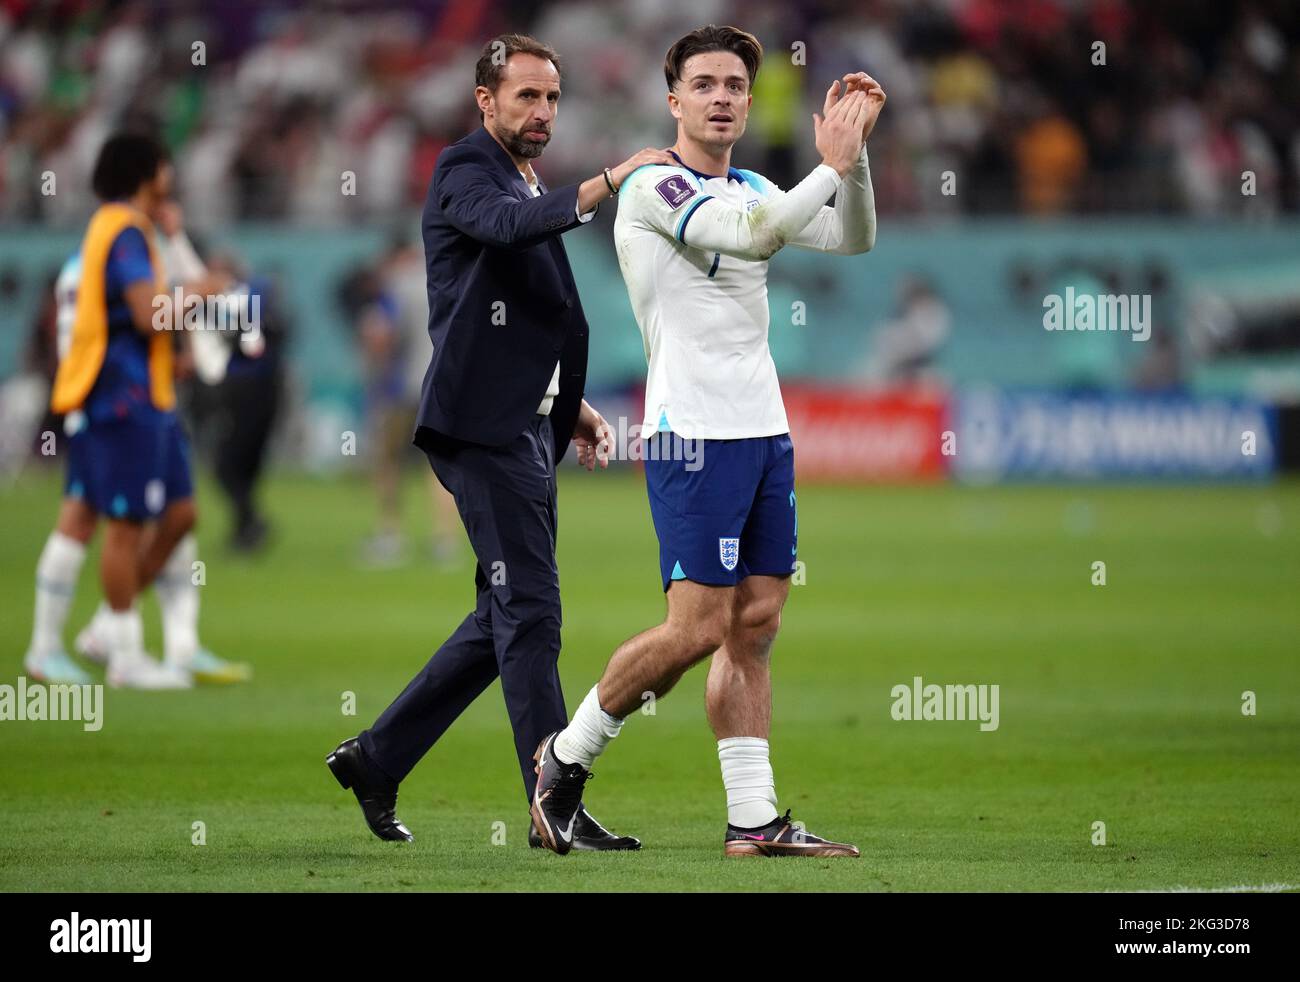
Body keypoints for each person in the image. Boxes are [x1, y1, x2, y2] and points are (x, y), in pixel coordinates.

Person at [531, 25, 883, 857]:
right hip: (691, 432)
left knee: (754, 624)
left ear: (750, 101)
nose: (723, 96)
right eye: (706, 84)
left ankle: (753, 820)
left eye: (735, 84)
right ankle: (563, 758)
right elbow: (758, 236)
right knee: (694, 628)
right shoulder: (654, 186)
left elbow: (853, 237)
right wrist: (828, 165)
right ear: (674, 100)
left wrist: (854, 158)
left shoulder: (757, 183)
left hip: (764, 429)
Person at [325, 34, 673, 849]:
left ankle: (377, 759)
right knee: (534, 611)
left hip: (522, 420)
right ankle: (554, 802)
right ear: (486, 102)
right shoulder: (464, 171)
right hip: (479, 427)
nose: (543, 111)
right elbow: (509, 230)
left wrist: (569, 400)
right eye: (527, 96)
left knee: (504, 614)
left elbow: (534, 302)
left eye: (552, 97)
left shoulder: (523, 176)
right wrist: (609, 182)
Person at [23, 133, 234, 688]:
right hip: (121, 399)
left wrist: (171, 361)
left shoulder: (122, 230)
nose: (170, 172)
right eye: (163, 164)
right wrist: (203, 291)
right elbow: (147, 315)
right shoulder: (124, 230)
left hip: (138, 393)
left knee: (176, 514)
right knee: (122, 525)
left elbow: (129, 320)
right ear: (147, 172)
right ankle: (124, 654)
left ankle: (95, 638)